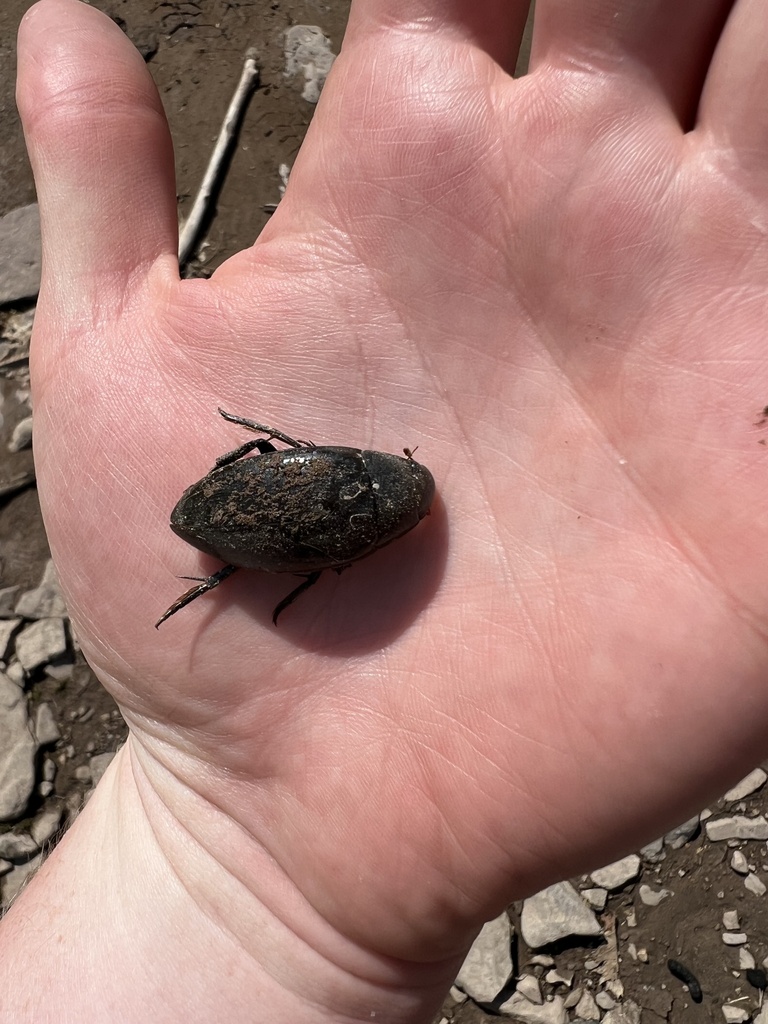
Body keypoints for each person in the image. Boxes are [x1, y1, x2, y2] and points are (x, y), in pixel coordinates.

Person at [4, 0, 768, 1019]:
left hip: (252, 509)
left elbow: (294, 471)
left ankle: (225, 573)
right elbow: (301, 487)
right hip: (253, 514)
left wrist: (236, 881)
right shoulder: (351, 516)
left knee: (276, 497)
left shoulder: (342, 497)